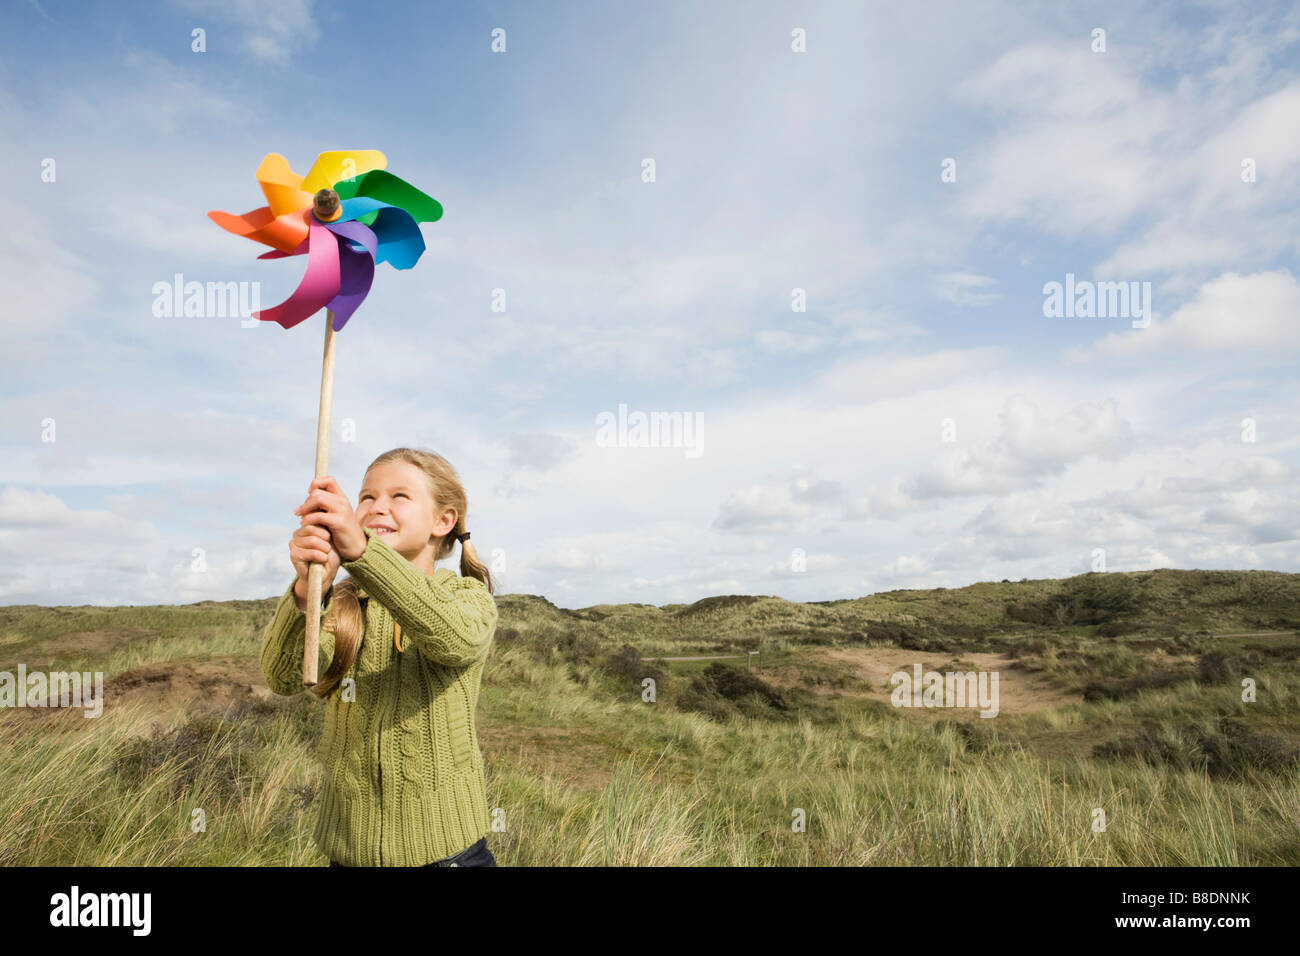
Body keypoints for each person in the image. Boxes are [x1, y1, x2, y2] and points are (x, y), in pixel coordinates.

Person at [260, 447, 499, 867]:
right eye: (366, 498)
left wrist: (363, 553)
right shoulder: (342, 603)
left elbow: (453, 639)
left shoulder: (466, 598)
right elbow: (282, 677)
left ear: (444, 521)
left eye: (399, 497)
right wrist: (307, 588)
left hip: (449, 855)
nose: (376, 508)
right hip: (349, 854)